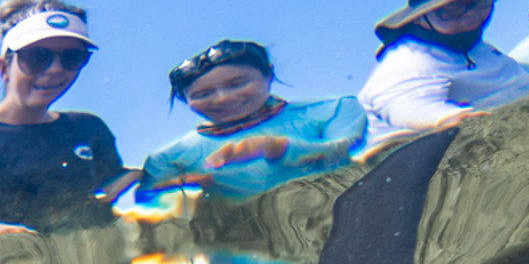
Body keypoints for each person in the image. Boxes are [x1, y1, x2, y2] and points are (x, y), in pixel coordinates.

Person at [0, 0, 133, 239]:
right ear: (3, 68)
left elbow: (113, 189)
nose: (55, 69)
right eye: (36, 56)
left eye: (72, 58)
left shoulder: (89, 129)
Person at [139, 39, 393, 208]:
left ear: (269, 73)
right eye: (202, 95)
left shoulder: (333, 109)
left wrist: (276, 148)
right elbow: (150, 206)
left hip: (342, 228)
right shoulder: (168, 158)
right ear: (186, 101)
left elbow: (347, 149)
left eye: (238, 84)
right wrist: (181, 191)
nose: (223, 98)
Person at [358, 0, 529, 130]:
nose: (470, 13)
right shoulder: (409, 60)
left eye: (480, 0)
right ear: (420, 16)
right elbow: (403, 104)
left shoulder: (484, 51)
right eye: (452, 7)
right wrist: (445, 117)